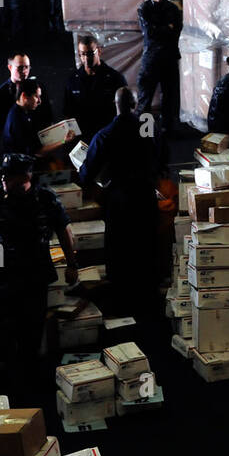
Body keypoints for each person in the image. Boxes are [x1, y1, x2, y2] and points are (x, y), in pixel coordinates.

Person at [0, 153, 77, 403]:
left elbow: (63, 230)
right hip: (1, 271)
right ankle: (3, 381)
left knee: (31, 329)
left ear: (25, 177)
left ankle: (32, 381)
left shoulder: (46, 199)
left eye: (9, 176)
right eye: (3, 176)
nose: (3, 180)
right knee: (1, 330)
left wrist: (72, 264)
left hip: (33, 273)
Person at [76, 88, 159, 315]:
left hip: (120, 200)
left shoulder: (105, 134)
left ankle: (122, 300)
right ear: (135, 104)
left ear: (115, 104)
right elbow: (159, 156)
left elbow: (87, 173)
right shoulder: (146, 126)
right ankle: (147, 297)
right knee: (145, 245)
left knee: (120, 248)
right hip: (146, 196)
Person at [136, 0, 183, 128]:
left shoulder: (172, 8)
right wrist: (166, 28)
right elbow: (149, 33)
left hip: (169, 58)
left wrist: (160, 29)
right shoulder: (144, 9)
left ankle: (168, 130)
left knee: (170, 97)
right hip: (151, 59)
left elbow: (177, 31)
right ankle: (146, 133)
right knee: (145, 99)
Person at [65, 35, 128, 141]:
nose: (86, 58)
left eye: (90, 54)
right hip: (82, 138)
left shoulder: (115, 79)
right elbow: (68, 111)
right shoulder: (73, 80)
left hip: (108, 137)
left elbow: (125, 112)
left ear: (98, 51)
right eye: (83, 54)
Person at [4, 77, 73, 171]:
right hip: (20, 172)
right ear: (24, 96)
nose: (39, 101)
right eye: (36, 96)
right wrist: (63, 141)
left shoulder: (23, 112)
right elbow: (37, 152)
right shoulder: (17, 119)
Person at [0, 52, 54, 140]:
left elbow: (48, 116)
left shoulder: (39, 87)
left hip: (40, 140)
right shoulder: (0, 94)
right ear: (10, 67)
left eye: (27, 67)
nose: (24, 71)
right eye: (20, 67)